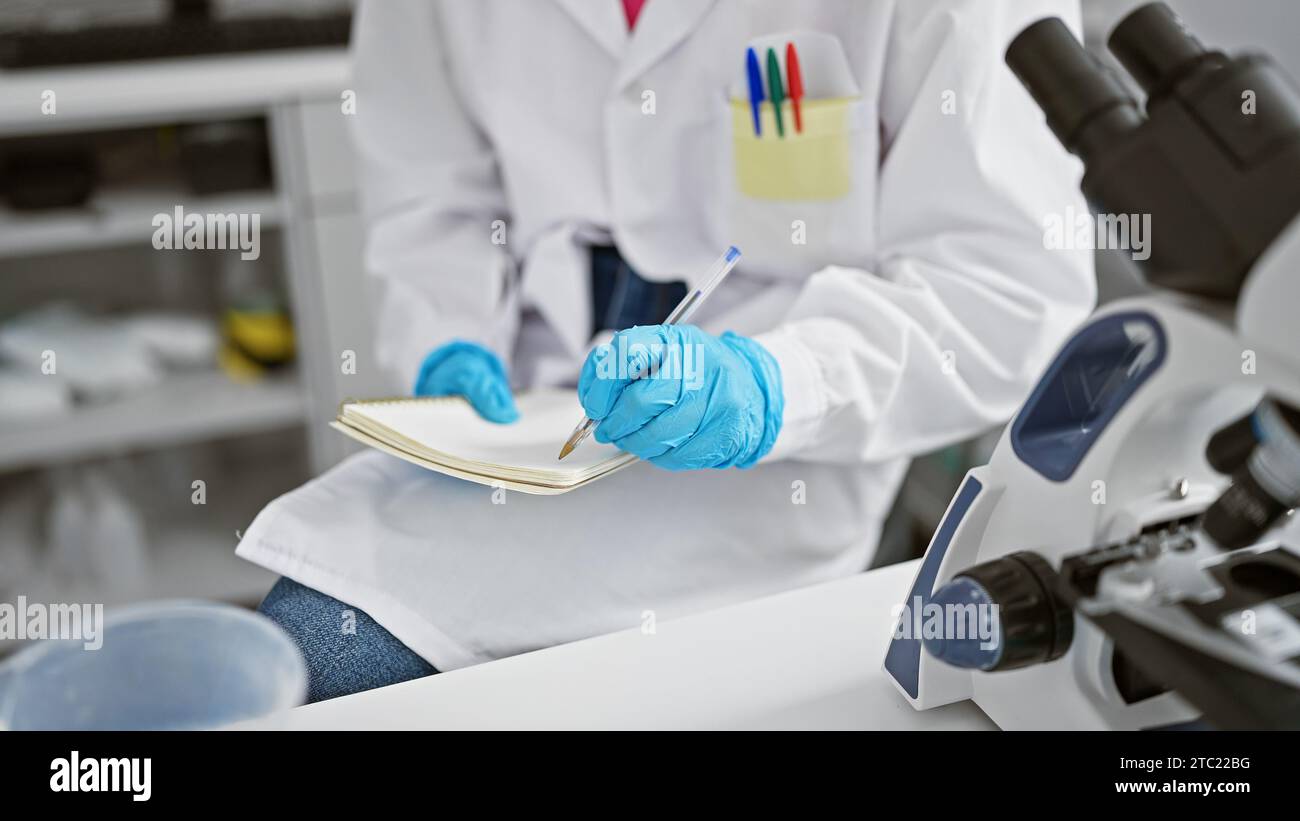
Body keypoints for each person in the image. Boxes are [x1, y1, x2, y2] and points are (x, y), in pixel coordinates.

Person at [239, 0, 1095, 702]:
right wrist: (450, 334)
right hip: (521, 411)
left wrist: (774, 383)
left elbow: (1004, 282)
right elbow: (429, 193)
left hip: (776, 439)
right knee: (306, 640)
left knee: (342, 657)